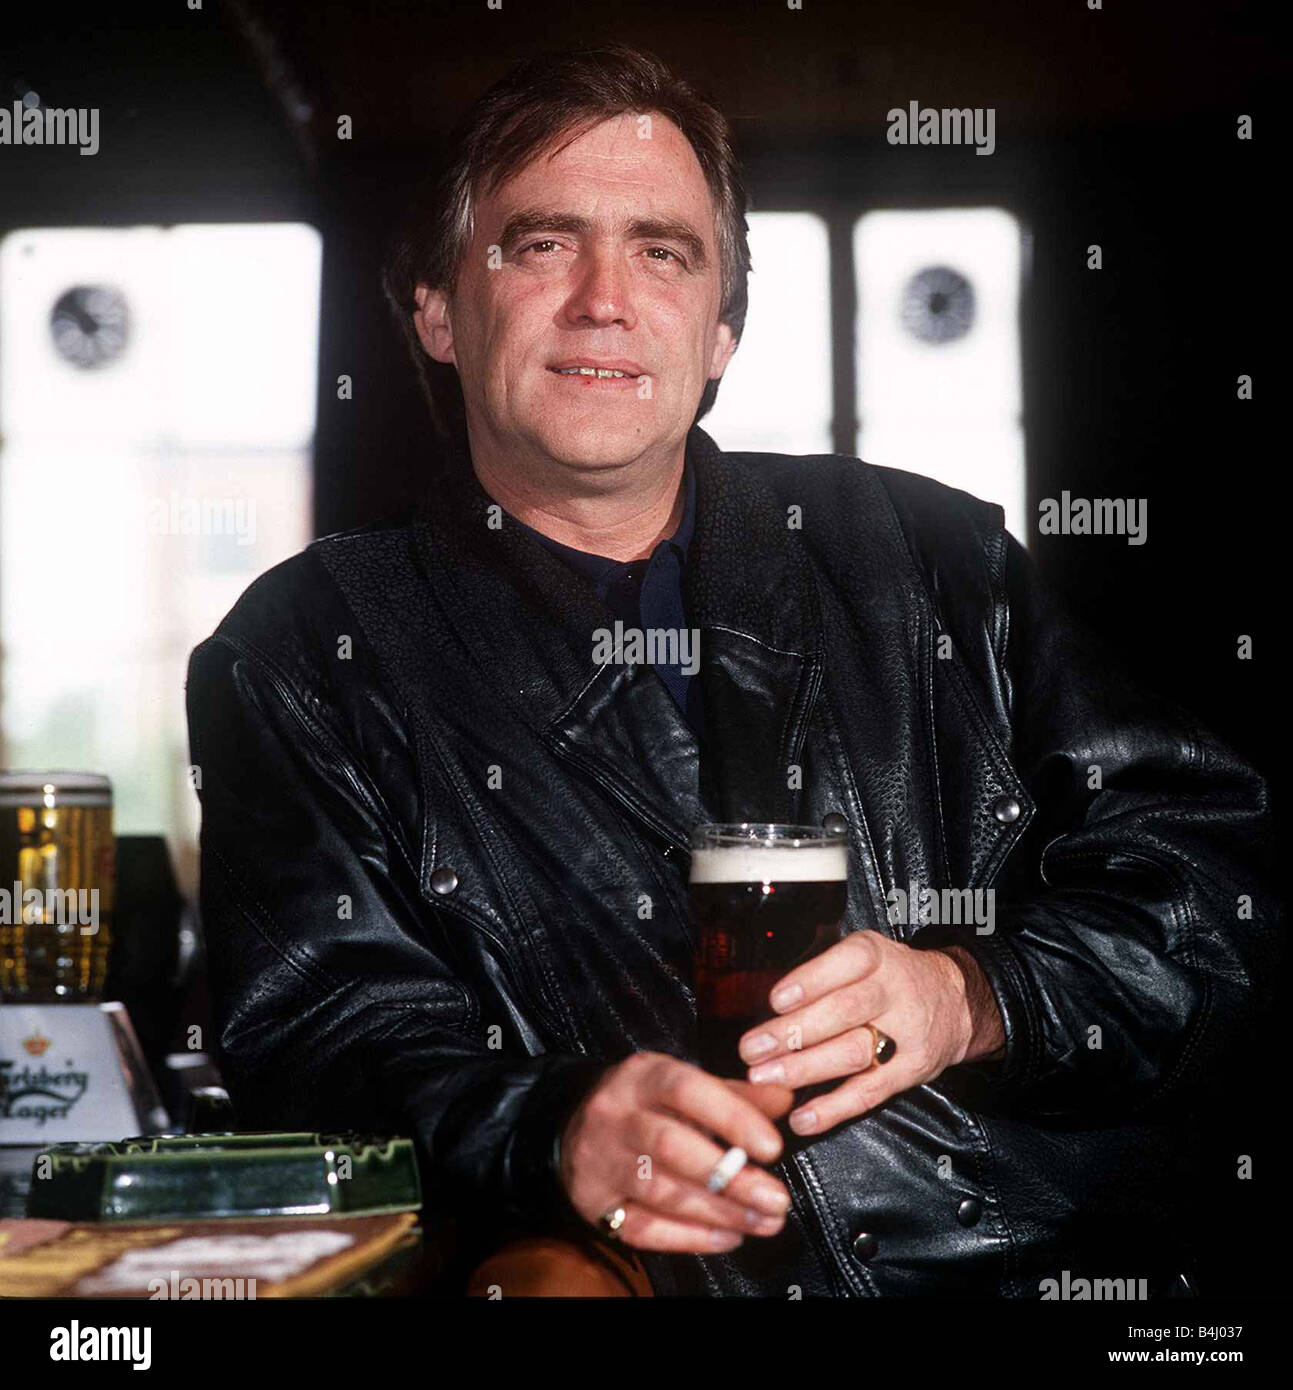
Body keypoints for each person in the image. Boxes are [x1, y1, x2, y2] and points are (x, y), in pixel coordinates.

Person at [186, 44, 1274, 1296]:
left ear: (721, 334)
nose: (604, 297)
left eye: (662, 251)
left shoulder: (939, 560)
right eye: (541, 244)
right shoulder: (305, 648)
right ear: (437, 308)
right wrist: (554, 1130)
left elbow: (1215, 889)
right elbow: (318, 1040)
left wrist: (977, 995)